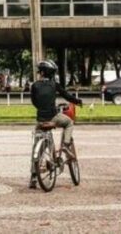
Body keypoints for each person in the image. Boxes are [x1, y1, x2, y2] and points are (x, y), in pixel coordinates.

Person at [29, 59, 83, 189]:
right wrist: (77, 101)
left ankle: (34, 177)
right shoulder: (55, 85)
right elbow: (67, 96)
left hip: (41, 120)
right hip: (54, 117)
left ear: (41, 73)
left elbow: (34, 102)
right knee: (69, 122)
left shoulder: (34, 86)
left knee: (37, 148)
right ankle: (65, 144)